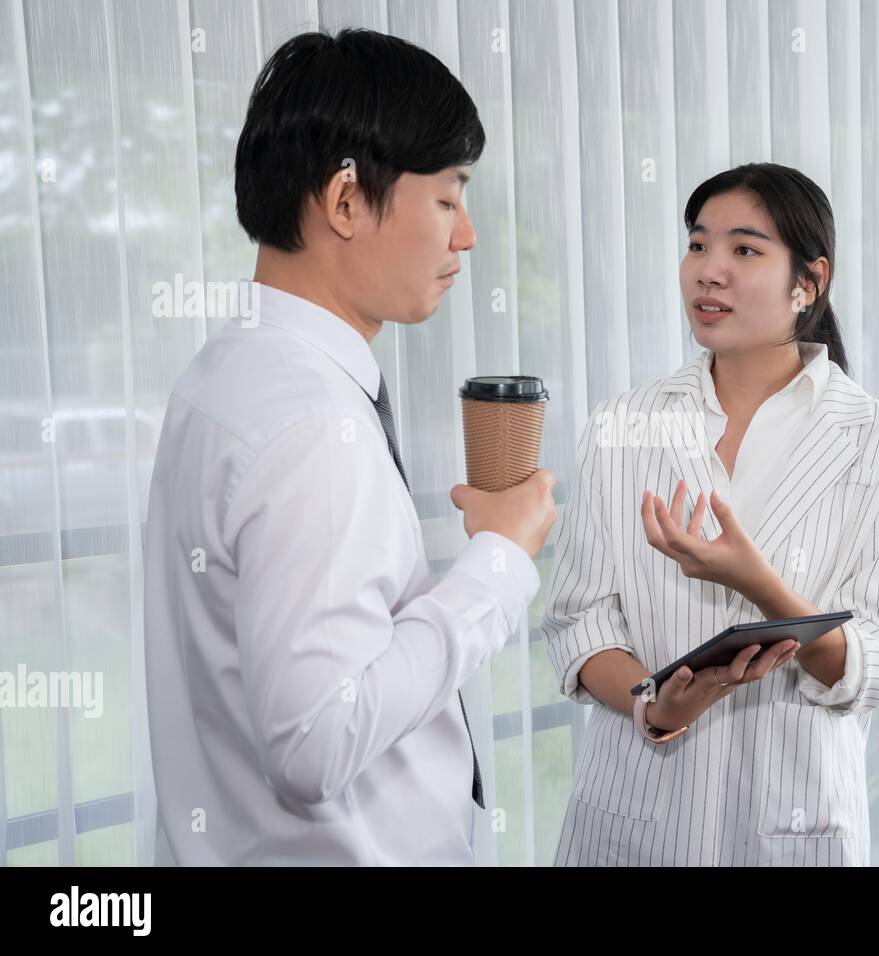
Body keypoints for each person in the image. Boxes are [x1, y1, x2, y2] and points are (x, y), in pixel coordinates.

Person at [143, 28, 555, 865]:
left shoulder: (227, 373)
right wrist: (499, 565)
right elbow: (314, 743)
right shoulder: (309, 428)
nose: (467, 235)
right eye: (448, 197)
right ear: (344, 201)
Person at [542, 163, 879, 866]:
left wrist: (760, 583)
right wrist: (652, 704)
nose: (708, 271)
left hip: (793, 824)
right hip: (633, 818)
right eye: (697, 245)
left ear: (807, 282)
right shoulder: (624, 424)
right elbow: (580, 618)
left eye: (744, 250)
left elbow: (876, 665)